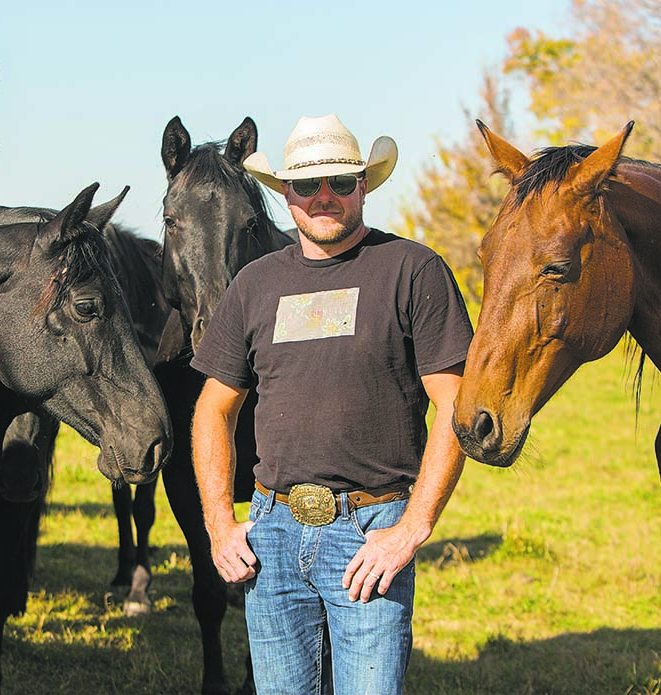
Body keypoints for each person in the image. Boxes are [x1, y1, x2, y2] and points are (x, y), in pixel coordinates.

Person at [190, 113, 473, 695]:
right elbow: (213, 409)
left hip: (370, 534)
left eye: (340, 181)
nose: (324, 196)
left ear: (363, 186)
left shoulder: (413, 270)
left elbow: (455, 406)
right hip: (272, 534)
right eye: (306, 184)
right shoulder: (253, 285)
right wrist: (220, 524)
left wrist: (412, 528)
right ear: (284, 193)